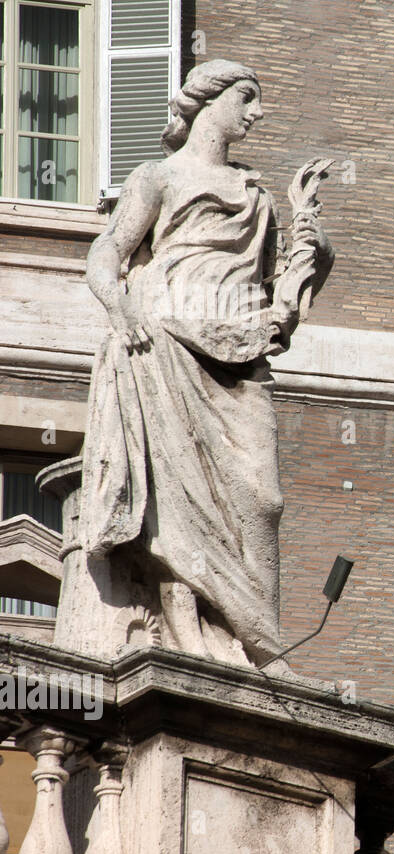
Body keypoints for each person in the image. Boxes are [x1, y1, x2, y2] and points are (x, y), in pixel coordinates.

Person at [81, 60, 332, 676]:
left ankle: (254, 637)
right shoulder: (158, 177)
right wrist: (119, 308)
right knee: (178, 498)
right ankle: (208, 637)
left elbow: (278, 293)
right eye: (247, 97)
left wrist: (307, 226)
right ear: (206, 100)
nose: (257, 112)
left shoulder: (258, 195)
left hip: (240, 346)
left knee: (261, 496)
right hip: (165, 337)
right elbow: (107, 252)